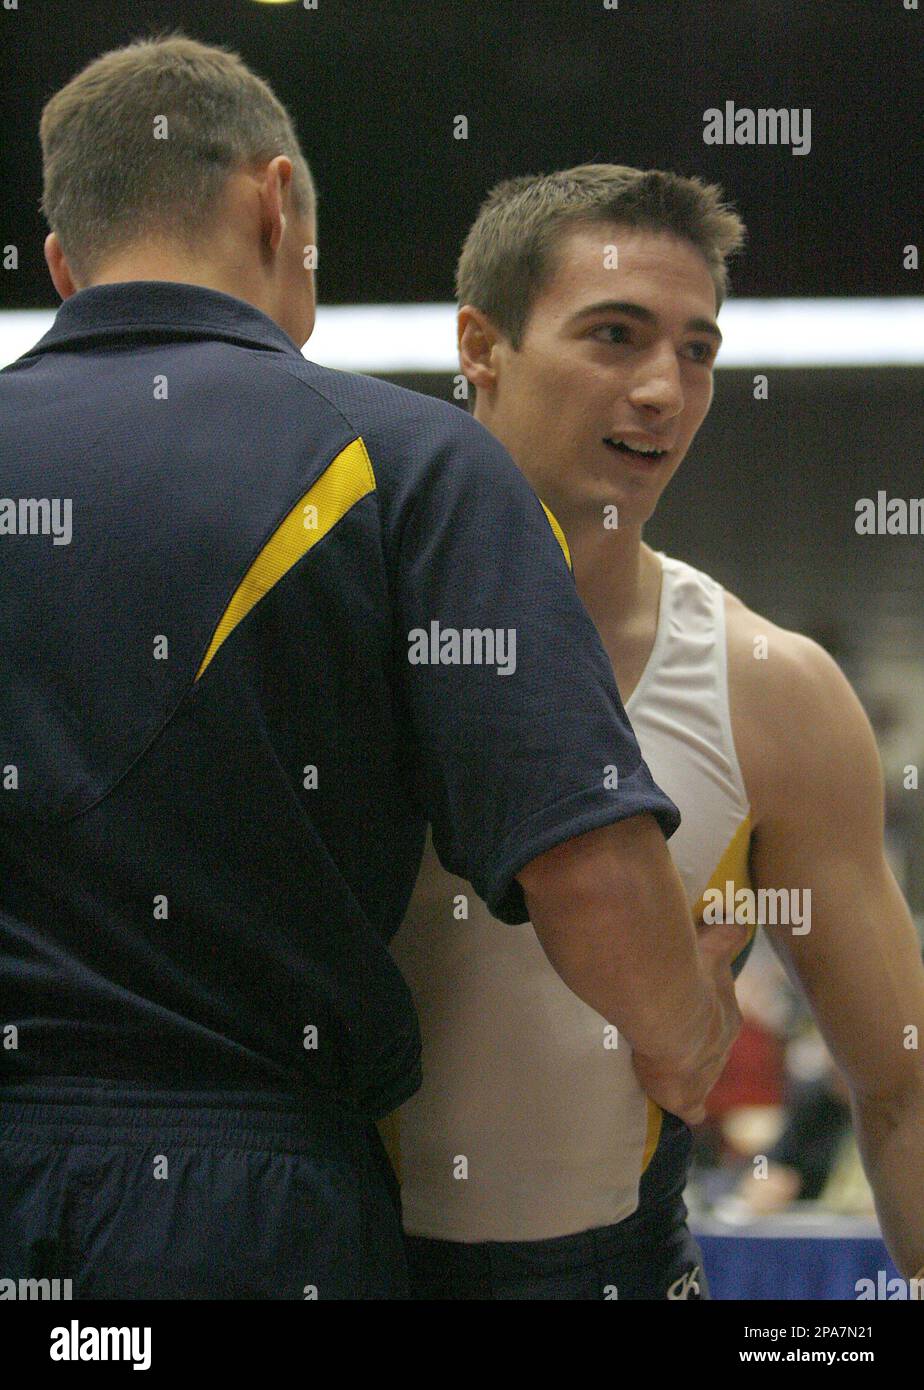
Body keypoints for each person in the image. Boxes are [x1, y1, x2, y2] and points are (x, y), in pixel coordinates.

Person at [0, 44, 741, 1300]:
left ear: (66, 264)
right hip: (246, 1210)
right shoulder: (408, 463)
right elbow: (589, 871)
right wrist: (694, 1032)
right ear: (273, 204)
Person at [392, 164, 924, 1299]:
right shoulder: (342, 637)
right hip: (336, 1252)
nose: (663, 391)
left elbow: (901, 1080)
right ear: (481, 347)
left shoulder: (773, 689)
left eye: (697, 350)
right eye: (616, 334)